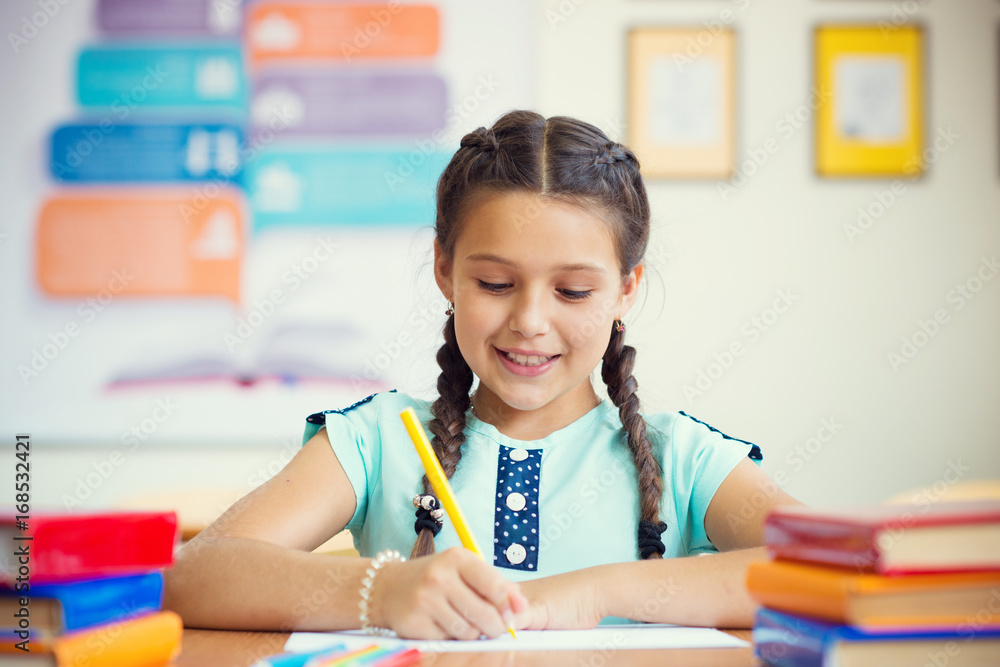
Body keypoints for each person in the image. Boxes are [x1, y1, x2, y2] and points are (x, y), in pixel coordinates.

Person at [163, 110, 801, 640]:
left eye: (573, 291)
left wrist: (593, 593)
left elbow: (824, 573)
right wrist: (383, 591)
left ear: (625, 290)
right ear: (445, 270)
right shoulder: (378, 441)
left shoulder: (681, 456)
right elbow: (189, 575)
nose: (530, 321)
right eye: (495, 283)